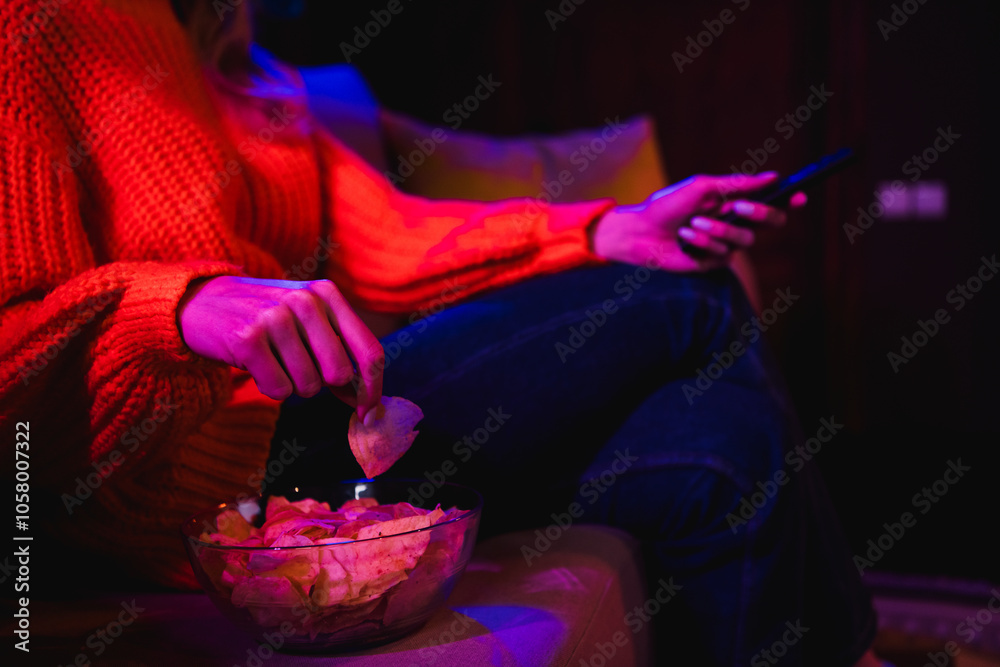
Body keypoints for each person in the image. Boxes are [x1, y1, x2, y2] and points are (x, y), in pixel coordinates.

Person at [0, 0, 886, 664]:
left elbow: (391, 237)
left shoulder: (241, 63)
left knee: (724, 453)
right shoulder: (35, 21)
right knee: (695, 296)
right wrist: (179, 308)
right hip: (198, 484)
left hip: (328, 436)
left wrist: (612, 226)